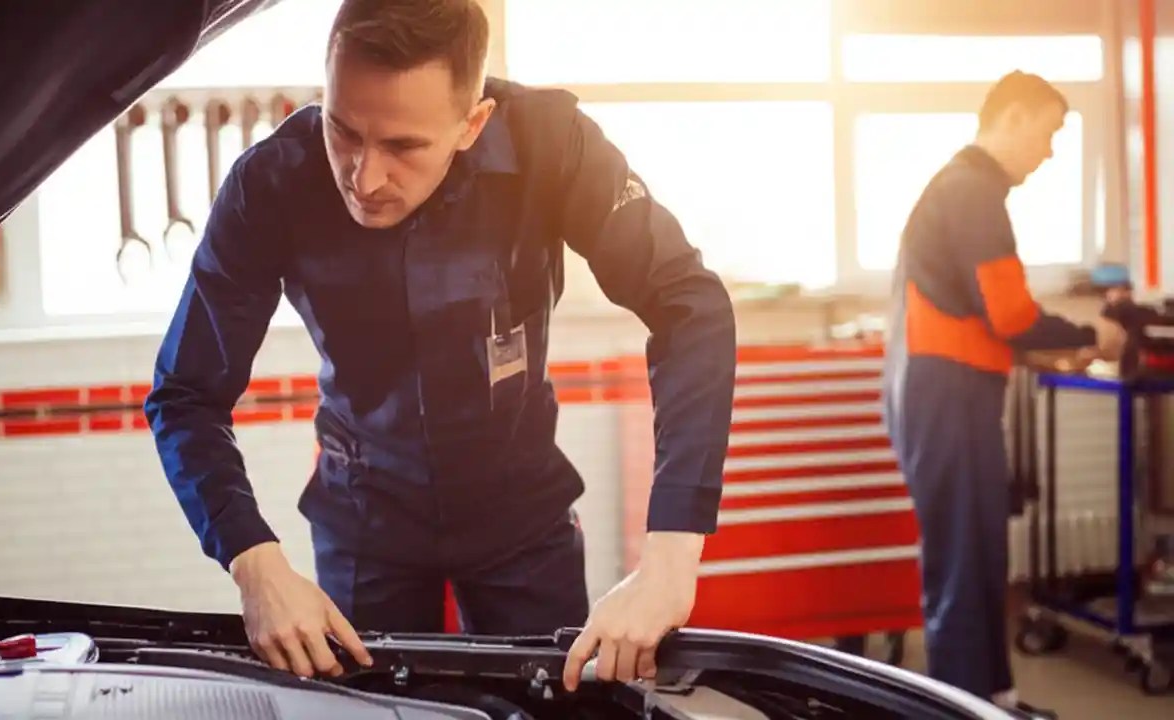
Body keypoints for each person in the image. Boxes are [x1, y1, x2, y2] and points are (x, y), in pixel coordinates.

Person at [143, 0, 736, 691]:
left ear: (472, 123)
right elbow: (185, 395)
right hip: (364, 519)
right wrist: (256, 565)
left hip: (521, 516)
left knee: (550, 708)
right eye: (343, 130)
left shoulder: (550, 143)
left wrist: (670, 558)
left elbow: (689, 304)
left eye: (403, 147)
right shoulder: (268, 184)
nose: (364, 179)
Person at [882, 70, 1126, 717]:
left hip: (946, 393)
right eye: (1047, 133)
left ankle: (994, 698)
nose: (1048, 151)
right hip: (950, 398)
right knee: (964, 564)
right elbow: (1012, 317)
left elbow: (992, 314)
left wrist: (1050, 341)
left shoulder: (964, 190)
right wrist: (1093, 332)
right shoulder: (972, 195)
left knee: (979, 555)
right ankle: (964, 708)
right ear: (1012, 118)